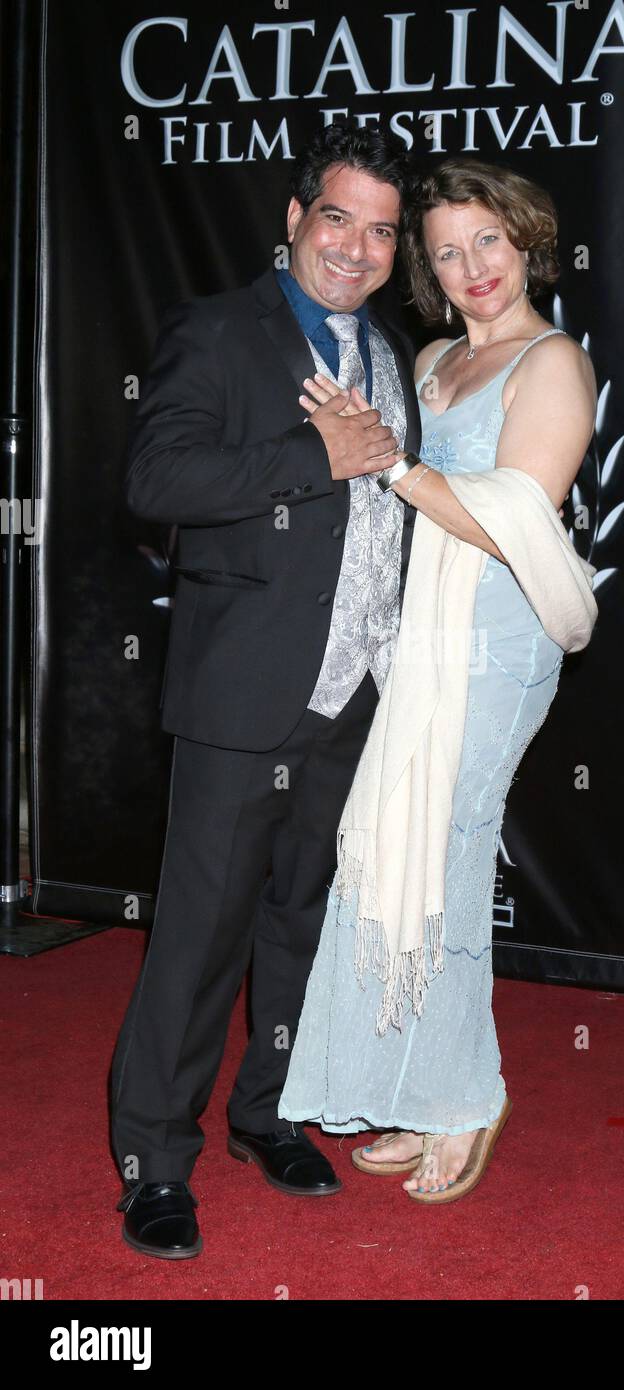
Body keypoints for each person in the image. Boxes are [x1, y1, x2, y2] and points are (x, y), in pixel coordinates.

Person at [109, 120, 420, 1258]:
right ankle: (154, 1155)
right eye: (337, 217)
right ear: (293, 220)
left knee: (301, 923)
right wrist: (313, 461)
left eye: (381, 229)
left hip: (354, 697)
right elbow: (156, 477)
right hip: (244, 694)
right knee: (198, 937)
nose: (357, 246)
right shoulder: (217, 330)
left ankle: (268, 1112)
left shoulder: (388, 351)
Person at [278, 156, 598, 1202]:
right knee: (400, 851)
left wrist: (396, 468)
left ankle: (466, 1095)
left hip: (499, 644)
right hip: (420, 643)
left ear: (524, 240)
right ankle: (410, 1087)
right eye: (447, 252)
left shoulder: (552, 364)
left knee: (453, 852)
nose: (472, 270)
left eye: (487, 243)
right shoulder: (425, 364)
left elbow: (516, 515)